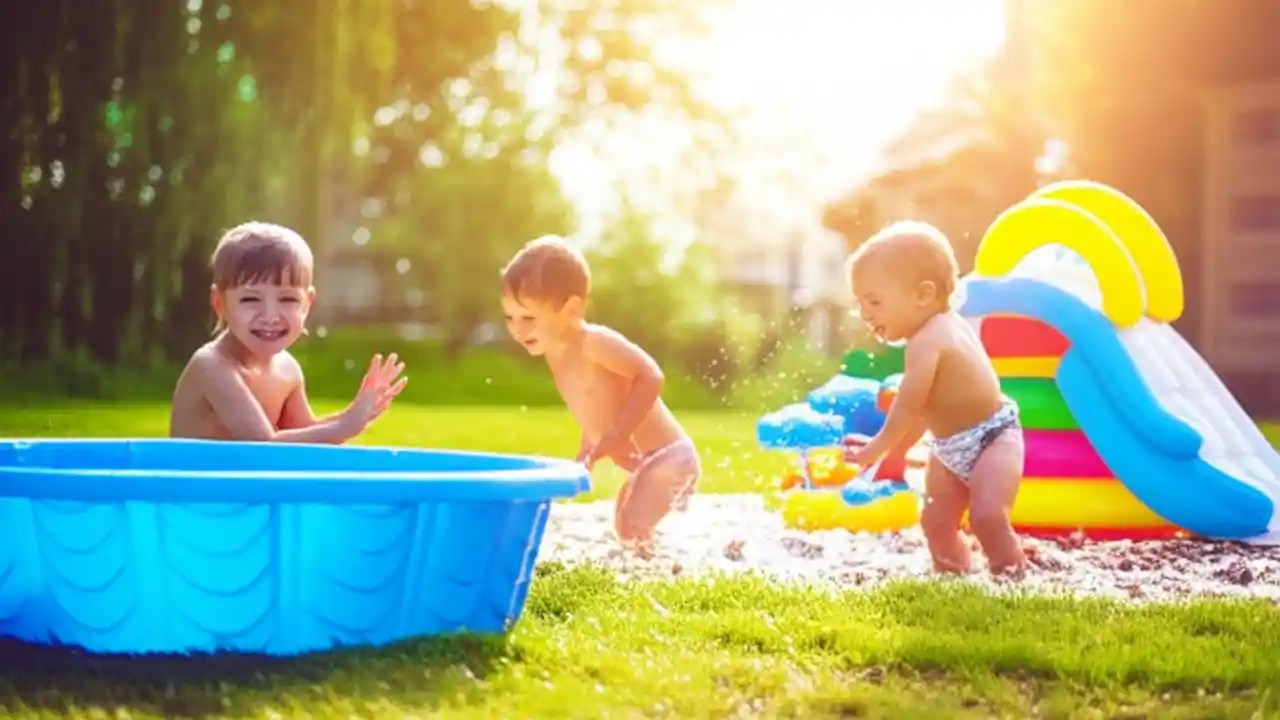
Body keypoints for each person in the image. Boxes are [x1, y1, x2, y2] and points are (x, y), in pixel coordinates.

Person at [499, 235, 700, 558]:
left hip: (671, 456)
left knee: (635, 525)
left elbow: (651, 376)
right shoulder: (559, 356)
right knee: (625, 527)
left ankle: (667, 572)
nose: (517, 330)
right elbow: (591, 401)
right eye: (510, 317)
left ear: (572, 309)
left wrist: (620, 433)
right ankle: (662, 563)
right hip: (646, 464)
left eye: (529, 318)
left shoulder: (595, 343)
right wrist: (588, 449)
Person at [846, 221, 1026, 577]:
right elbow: (922, 416)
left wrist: (877, 448)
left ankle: (1011, 579)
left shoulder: (930, 339)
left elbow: (908, 406)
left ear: (923, 294)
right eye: (861, 304)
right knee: (935, 521)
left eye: (875, 301)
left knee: (987, 515)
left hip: (993, 437)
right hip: (947, 448)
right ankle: (954, 574)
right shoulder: (937, 328)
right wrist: (894, 452)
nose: (866, 314)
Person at [170, 221, 406, 443]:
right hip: (194, 487)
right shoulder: (212, 366)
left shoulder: (287, 369)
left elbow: (304, 436)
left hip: (243, 486)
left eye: (288, 299)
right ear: (220, 303)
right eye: (251, 298)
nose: (270, 316)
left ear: (307, 304)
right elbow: (264, 445)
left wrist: (356, 413)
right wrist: (344, 426)